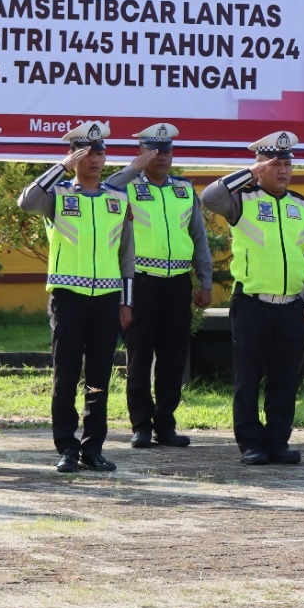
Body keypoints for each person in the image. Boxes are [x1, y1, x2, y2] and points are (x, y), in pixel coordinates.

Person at [16, 121, 135, 472]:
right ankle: (66, 447)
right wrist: (61, 168)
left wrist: (126, 301)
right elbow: (26, 202)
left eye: (100, 152)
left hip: (107, 297)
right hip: (69, 297)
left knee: (99, 375)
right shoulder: (58, 196)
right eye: (86, 153)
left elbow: (126, 254)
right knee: (66, 375)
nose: (95, 159)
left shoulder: (117, 198)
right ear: (73, 156)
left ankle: (93, 447)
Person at [202, 131, 304, 466]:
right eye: (275, 164)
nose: (283, 170)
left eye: (287, 163)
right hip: (252, 305)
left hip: (291, 307)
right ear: (260, 166)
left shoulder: (302, 205)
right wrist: (250, 174)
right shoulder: (242, 200)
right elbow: (209, 198)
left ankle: (278, 441)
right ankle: (250, 443)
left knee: (285, 378)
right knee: (248, 377)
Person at [103, 123, 214, 448]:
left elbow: (199, 237)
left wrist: (205, 280)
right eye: (154, 151)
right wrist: (132, 169)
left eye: (167, 151)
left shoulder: (183, 189)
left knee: (173, 356)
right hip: (141, 283)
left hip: (177, 283)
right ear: (142, 153)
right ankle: (140, 425)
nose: (162, 157)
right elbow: (106, 187)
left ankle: (165, 424)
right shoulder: (128, 187)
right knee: (139, 355)